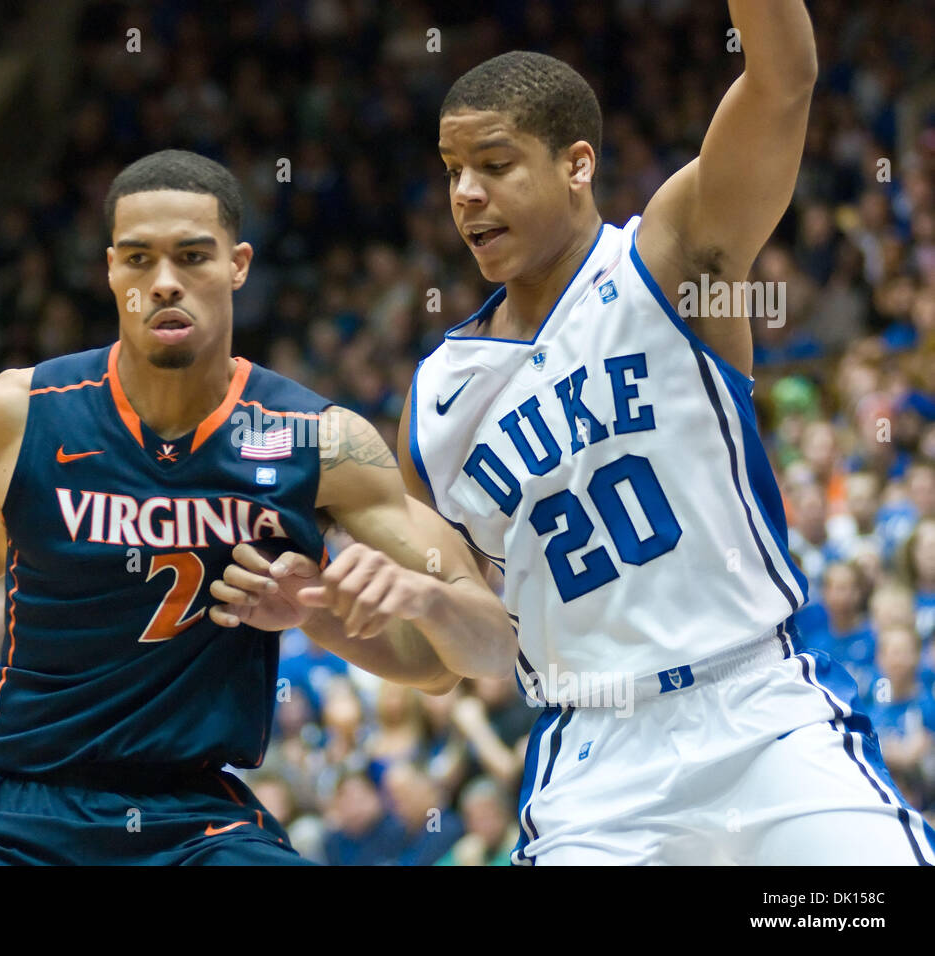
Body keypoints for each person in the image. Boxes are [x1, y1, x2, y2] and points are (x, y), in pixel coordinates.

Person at [220, 1, 935, 864]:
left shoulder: (671, 261)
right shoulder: (437, 401)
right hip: (598, 761)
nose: (466, 193)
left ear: (577, 164)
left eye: (494, 164)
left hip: (761, 711)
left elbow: (782, 80)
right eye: (451, 170)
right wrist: (327, 619)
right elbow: (458, 651)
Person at [0, 150, 510, 865]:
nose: (164, 283)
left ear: (239, 265)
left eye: (193, 256)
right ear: (110, 268)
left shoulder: (320, 442)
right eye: (139, 259)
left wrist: (325, 614)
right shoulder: (22, 411)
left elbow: (454, 655)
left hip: (194, 817)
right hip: (9, 806)